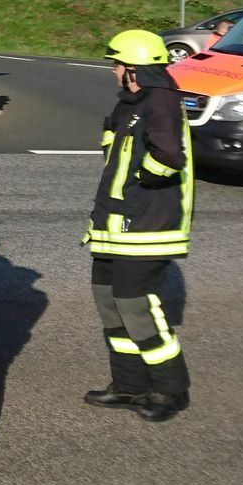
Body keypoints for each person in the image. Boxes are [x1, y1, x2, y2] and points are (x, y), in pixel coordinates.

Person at [81, 29, 193, 423]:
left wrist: (140, 183)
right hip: (114, 226)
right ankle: (129, 384)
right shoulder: (130, 103)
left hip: (146, 227)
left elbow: (169, 157)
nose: (114, 72)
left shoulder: (160, 102)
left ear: (135, 69)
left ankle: (169, 389)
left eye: (118, 65)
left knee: (136, 305)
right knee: (110, 305)